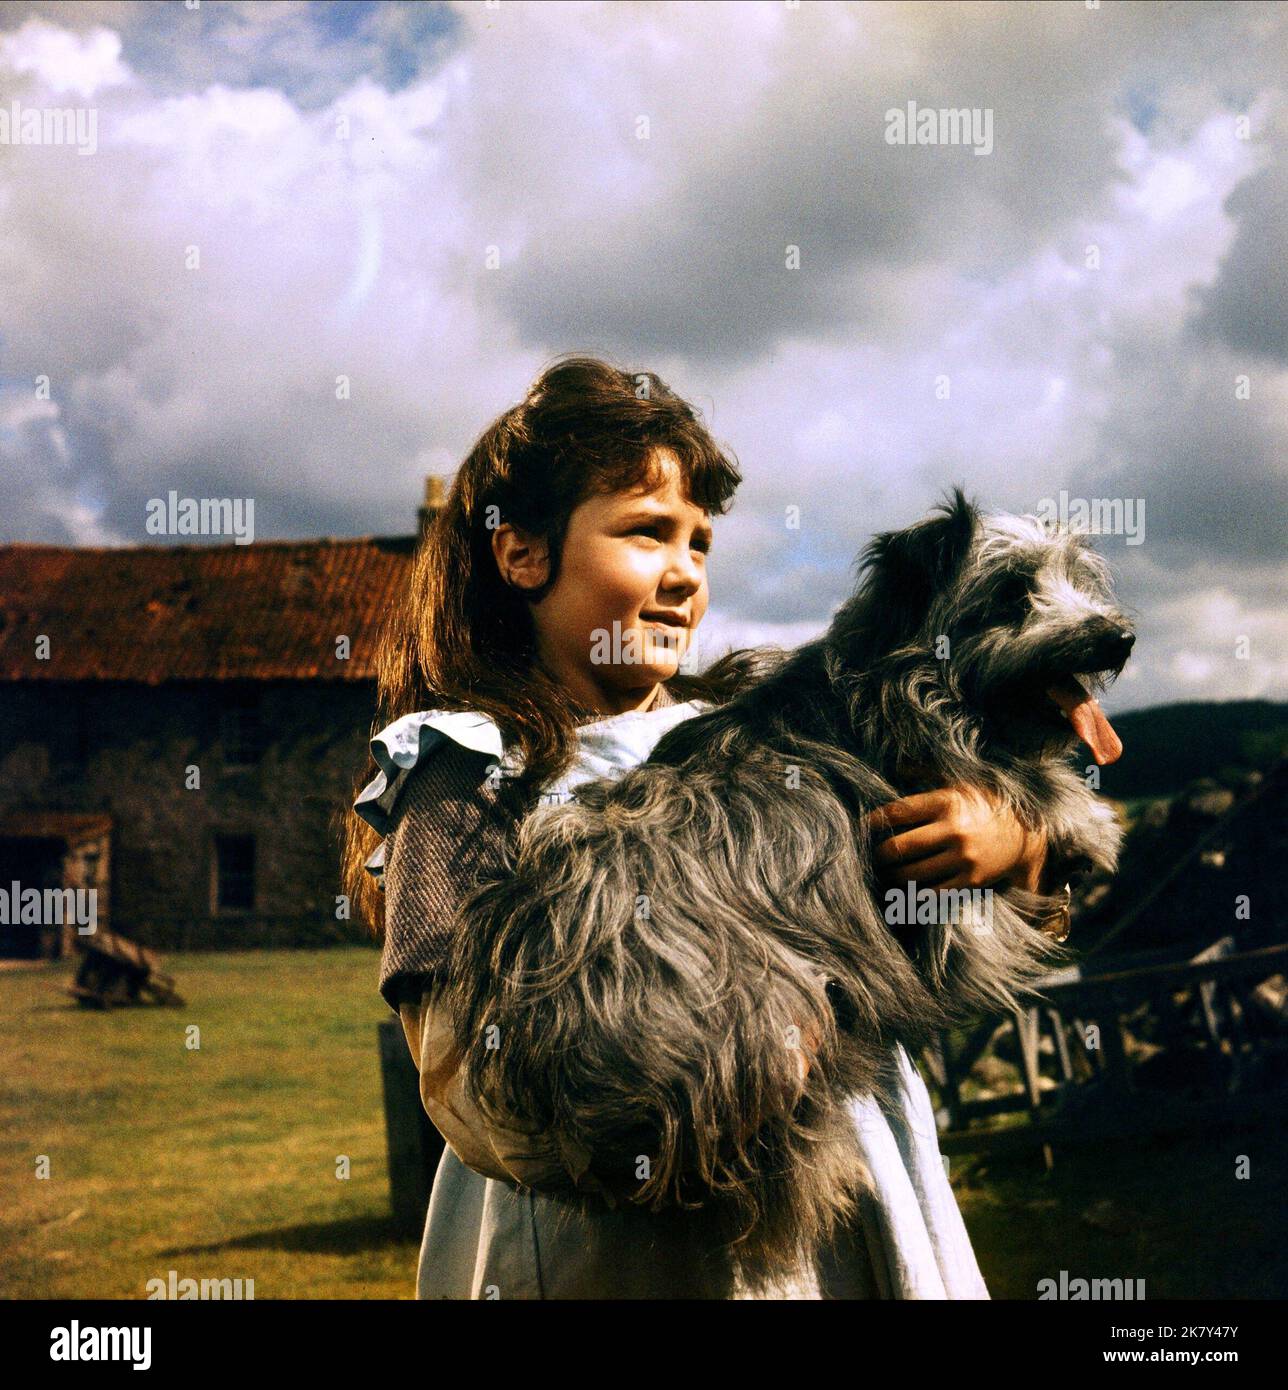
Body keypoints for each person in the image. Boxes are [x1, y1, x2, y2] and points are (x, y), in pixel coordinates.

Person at [342, 355, 1064, 1298]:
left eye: (701, 544)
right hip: (618, 1240)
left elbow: (928, 922)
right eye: (647, 533)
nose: (684, 573)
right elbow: (457, 1065)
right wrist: (682, 1102)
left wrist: (1012, 844)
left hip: (852, 1189)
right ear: (521, 551)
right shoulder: (467, 768)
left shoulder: (768, 733)